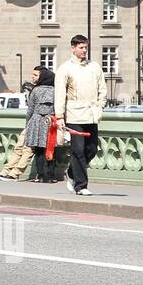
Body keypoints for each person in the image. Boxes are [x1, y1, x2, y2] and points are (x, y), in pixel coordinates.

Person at [55, 34, 107, 196]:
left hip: (91, 114)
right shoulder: (65, 68)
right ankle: (81, 185)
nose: (84, 50)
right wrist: (59, 116)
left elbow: (102, 88)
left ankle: (71, 172)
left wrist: (100, 106)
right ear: (73, 48)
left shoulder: (94, 67)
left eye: (86, 47)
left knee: (91, 149)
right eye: (81, 47)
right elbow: (59, 93)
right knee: (78, 150)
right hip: (73, 114)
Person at [0, 80, 37, 181]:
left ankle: (14, 174)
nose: (33, 78)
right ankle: (6, 171)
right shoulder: (33, 93)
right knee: (18, 148)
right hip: (29, 125)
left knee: (27, 150)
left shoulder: (40, 91)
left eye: (36, 75)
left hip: (35, 125)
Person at [23, 67, 58, 184]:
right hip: (51, 121)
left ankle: (40, 175)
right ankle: (51, 175)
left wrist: (27, 124)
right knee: (51, 147)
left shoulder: (35, 91)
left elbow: (30, 109)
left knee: (38, 150)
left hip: (37, 120)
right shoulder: (55, 91)